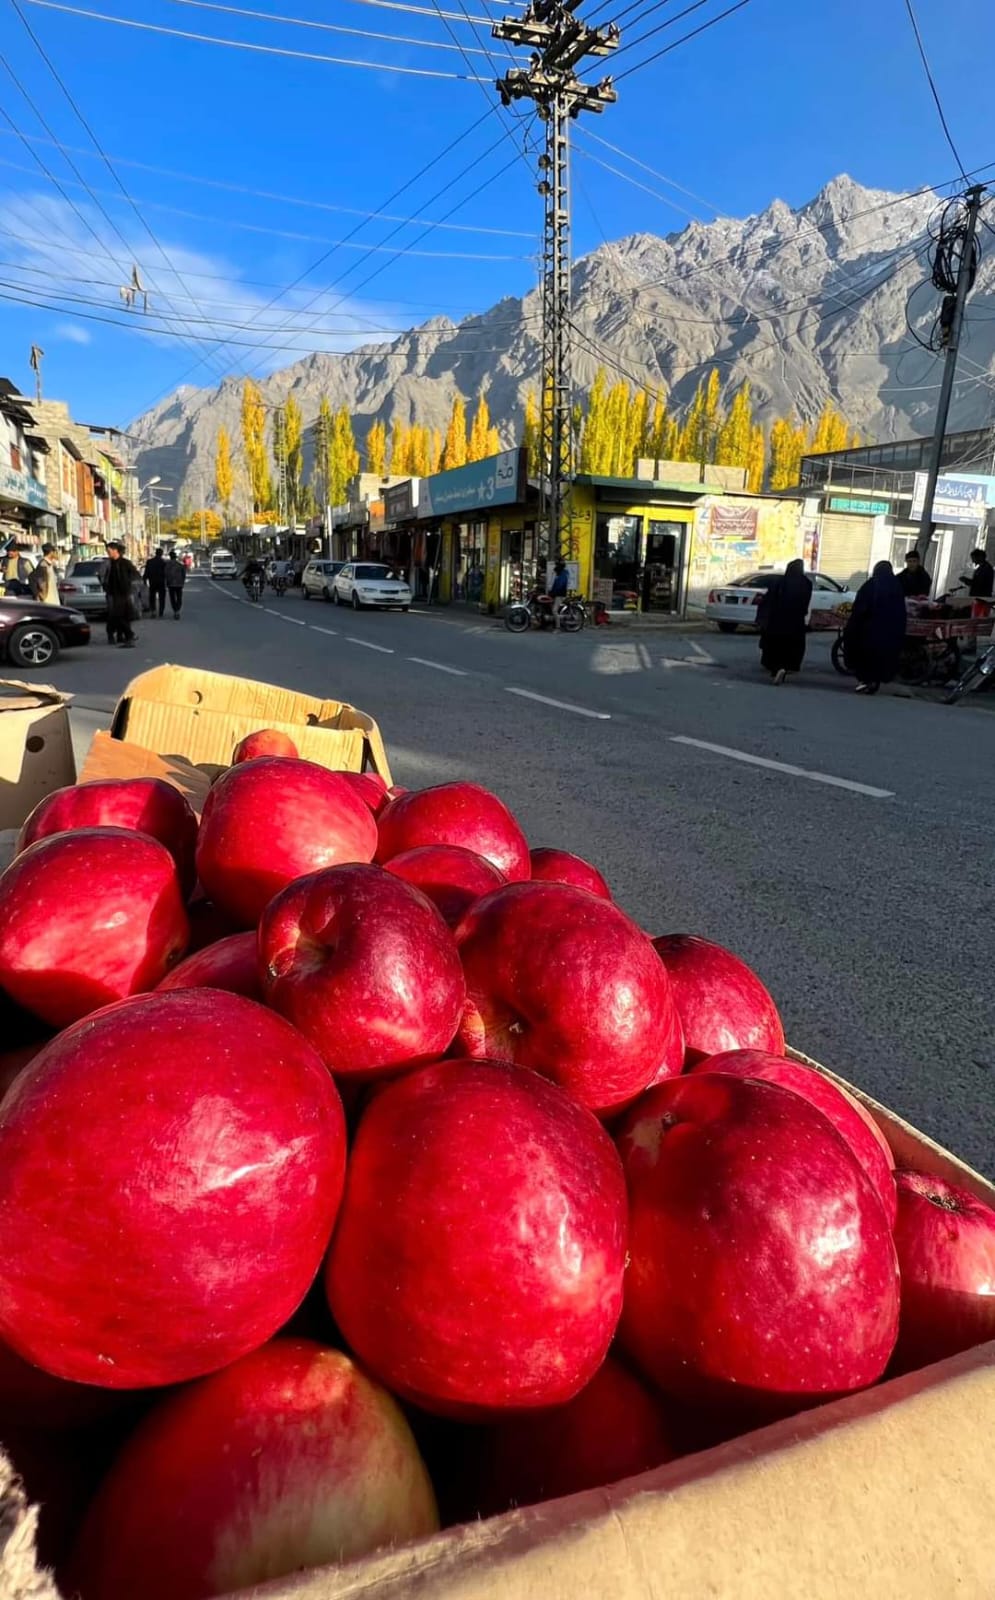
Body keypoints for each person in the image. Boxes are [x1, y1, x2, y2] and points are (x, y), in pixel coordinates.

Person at [842, 560, 907, 694]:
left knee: (865, 655)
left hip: (869, 630)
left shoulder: (872, 585)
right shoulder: (896, 585)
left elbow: (861, 605)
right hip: (890, 631)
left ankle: (865, 681)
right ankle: (874, 681)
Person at [756, 560, 813, 685]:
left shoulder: (781, 582)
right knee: (792, 647)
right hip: (796, 621)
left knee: (776, 646)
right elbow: (806, 602)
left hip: (778, 619)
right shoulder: (807, 583)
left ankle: (777, 669)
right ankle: (786, 667)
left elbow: (770, 599)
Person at [102, 541, 140, 646]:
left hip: (124, 594)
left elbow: (135, 576)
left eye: (109, 551)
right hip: (113, 594)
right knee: (115, 616)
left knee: (122, 616)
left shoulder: (125, 563)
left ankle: (129, 636)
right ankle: (127, 636)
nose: (108, 553)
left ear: (115, 551)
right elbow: (103, 577)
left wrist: (129, 586)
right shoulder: (110, 564)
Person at [144, 547, 167, 618]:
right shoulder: (164, 562)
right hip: (161, 582)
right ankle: (161, 611)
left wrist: (144, 580)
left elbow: (146, 572)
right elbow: (166, 573)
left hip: (152, 581)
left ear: (155, 553)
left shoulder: (149, 561)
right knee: (162, 597)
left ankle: (153, 611)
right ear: (161, 554)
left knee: (152, 597)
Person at [164, 550, 186, 619]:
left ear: (170, 557)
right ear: (175, 557)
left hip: (171, 584)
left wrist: (167, 582)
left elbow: (165, 574)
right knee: (179, 598)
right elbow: (183, 575)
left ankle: (175, 610)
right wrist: (182, 582)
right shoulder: (180, 564)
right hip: (179, 584)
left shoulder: (167, 565)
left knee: (172, 598)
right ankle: (177, 611)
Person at [548, 560, 569, 628]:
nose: (555, 567)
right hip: (556, 594)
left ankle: (558, 627)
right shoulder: (559, 574)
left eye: (557, 565)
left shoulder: (563, 574)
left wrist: (553, 592)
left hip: (560, 595)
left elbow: (560, 585)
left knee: (554, 611)